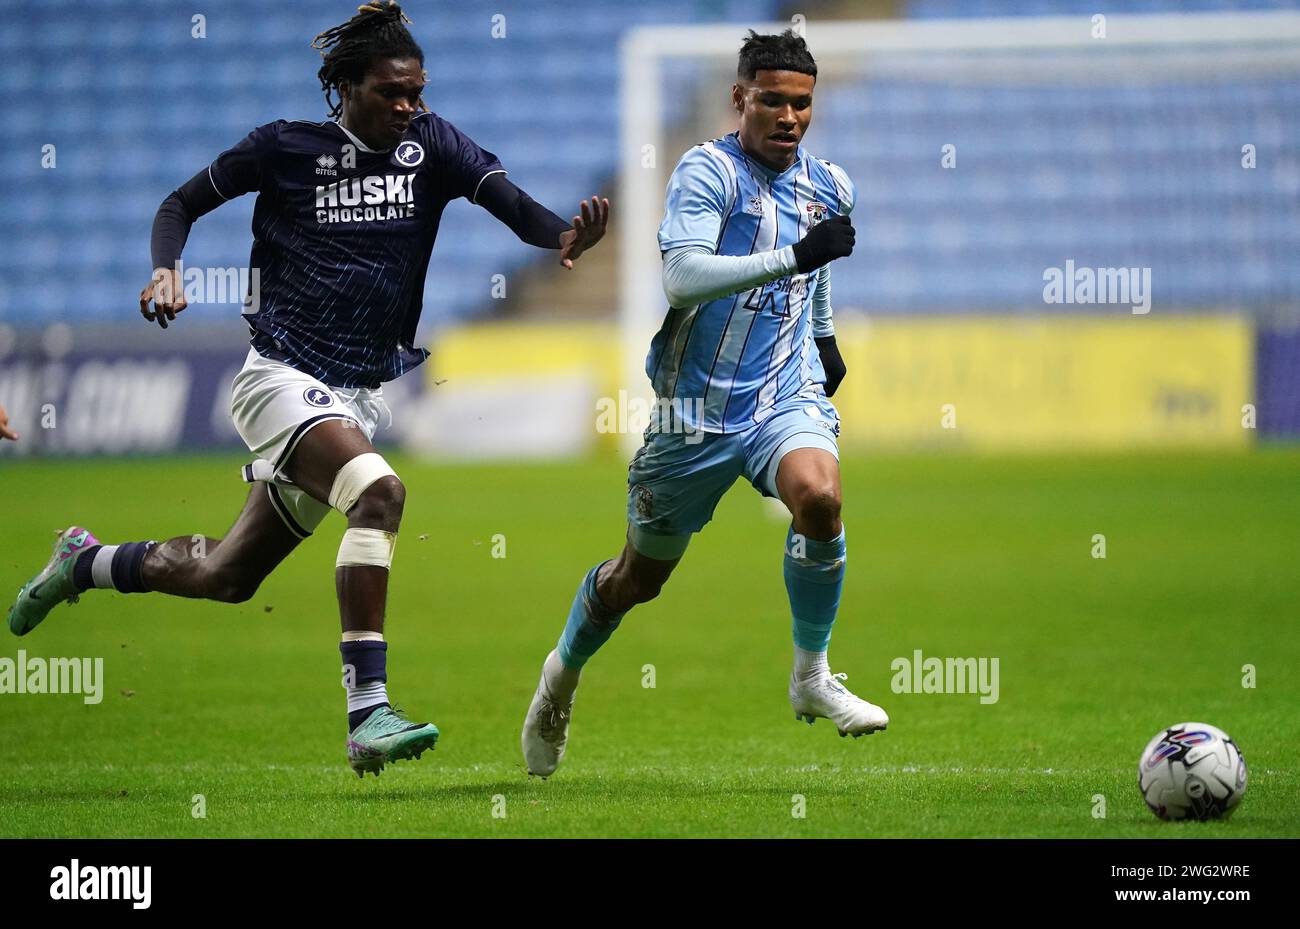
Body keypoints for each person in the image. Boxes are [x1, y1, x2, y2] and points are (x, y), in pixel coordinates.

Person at [7, 1, 609, 779]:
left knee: (226, 575)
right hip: (281, 377)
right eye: (391, 92)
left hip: (351, 394)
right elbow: (179, 203)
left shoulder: (432, 145)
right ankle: (368, 712)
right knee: (380, 493)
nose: (408, 107)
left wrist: (563, 233)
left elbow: (512, 204)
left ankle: (81, 561)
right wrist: (167, 267)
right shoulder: (285, 148)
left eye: (417, 91)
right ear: (346, 86)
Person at [521, 29, 885, 777]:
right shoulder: (704, 172)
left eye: (803, 105)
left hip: (783, 394)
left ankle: (811, 676)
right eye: (774, 101)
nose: (790, 118)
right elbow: (683, 277)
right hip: (693, 414)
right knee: (636, 580)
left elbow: (815, 276)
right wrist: (796, 258)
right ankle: (561, 674)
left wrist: (822, 338)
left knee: (820, 498)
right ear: (739, 98)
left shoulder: (831, 184)